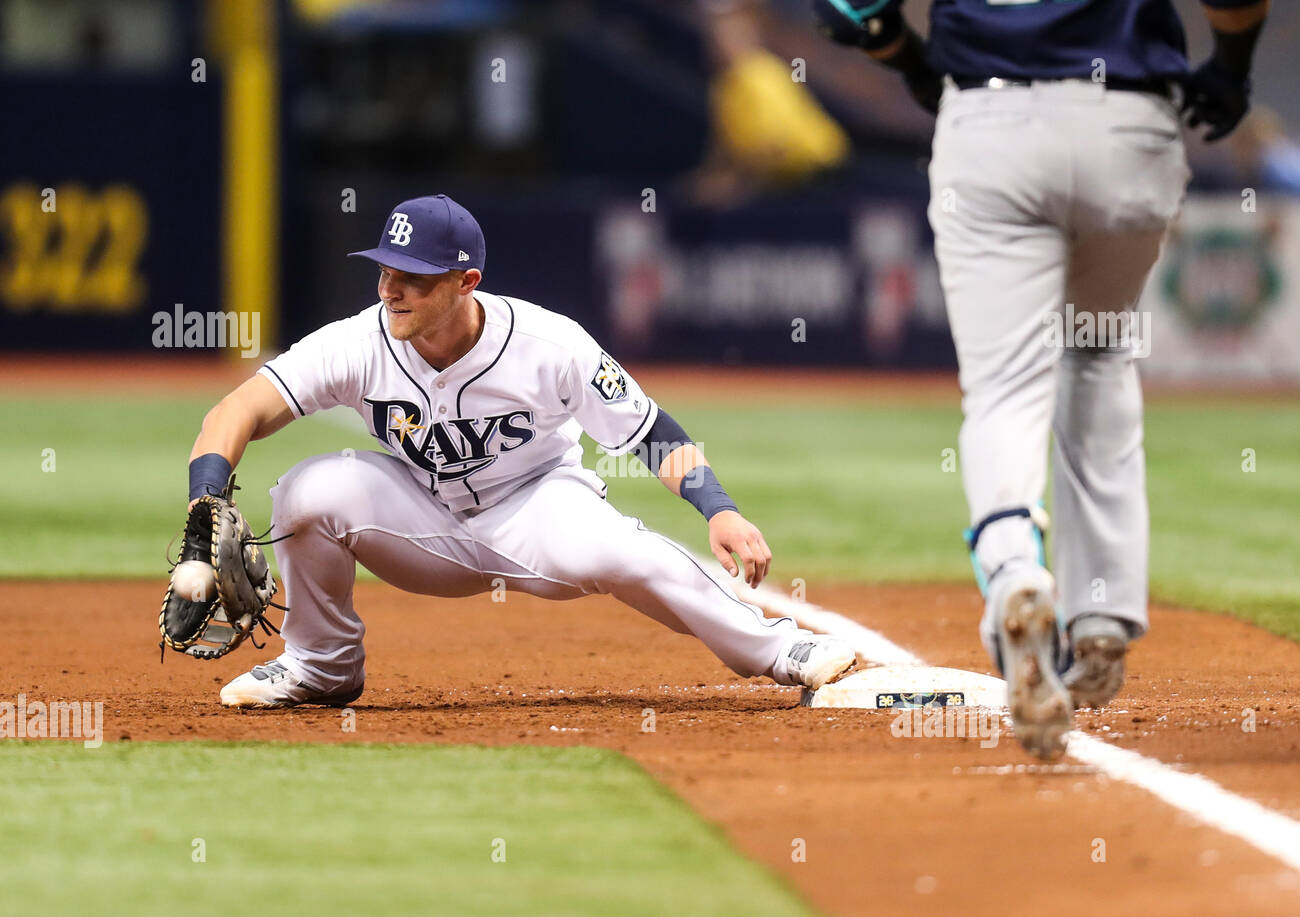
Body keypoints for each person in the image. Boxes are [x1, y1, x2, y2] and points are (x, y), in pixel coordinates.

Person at [813, 0, 1270, 757]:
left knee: (1004, 383)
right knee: (1098, 351)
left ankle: (1014, 569)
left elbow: (846, 9)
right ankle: (1101, 616)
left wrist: (910, 60)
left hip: (990, 123)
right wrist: (1230, 66)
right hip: (1128, 124)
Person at [188, 194, 857, 707]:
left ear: (465, 281)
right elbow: (237, 409)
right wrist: (205, 506)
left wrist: (719, 509)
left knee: (617, 552)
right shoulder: (357, 342)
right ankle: (320, 667)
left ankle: (778, 651)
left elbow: (648, 431)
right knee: (307, 493)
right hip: (422, 521)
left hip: (538, 510)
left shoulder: (549, 343)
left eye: (413, 278)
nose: (391, 290)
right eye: (385, 272)